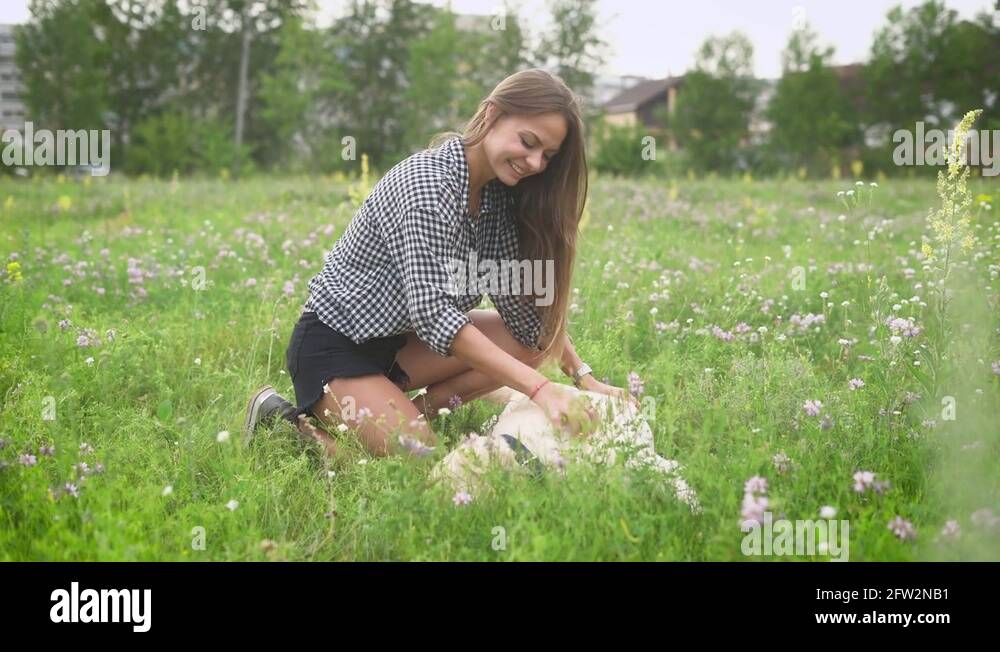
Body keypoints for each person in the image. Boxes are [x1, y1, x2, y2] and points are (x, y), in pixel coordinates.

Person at [245, 68, 635, 460]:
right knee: (423, 461)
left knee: (529, 342)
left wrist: (584, 377)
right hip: (336, 347)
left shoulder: (496, 197)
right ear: (493, 115)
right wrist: (540, 389)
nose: (535, 162)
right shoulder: (427, 184)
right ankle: (285, 426)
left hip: (398, 345)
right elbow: (434, 315)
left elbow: (530, 312)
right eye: (528, 142)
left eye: (546, 156)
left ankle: (401, 417)